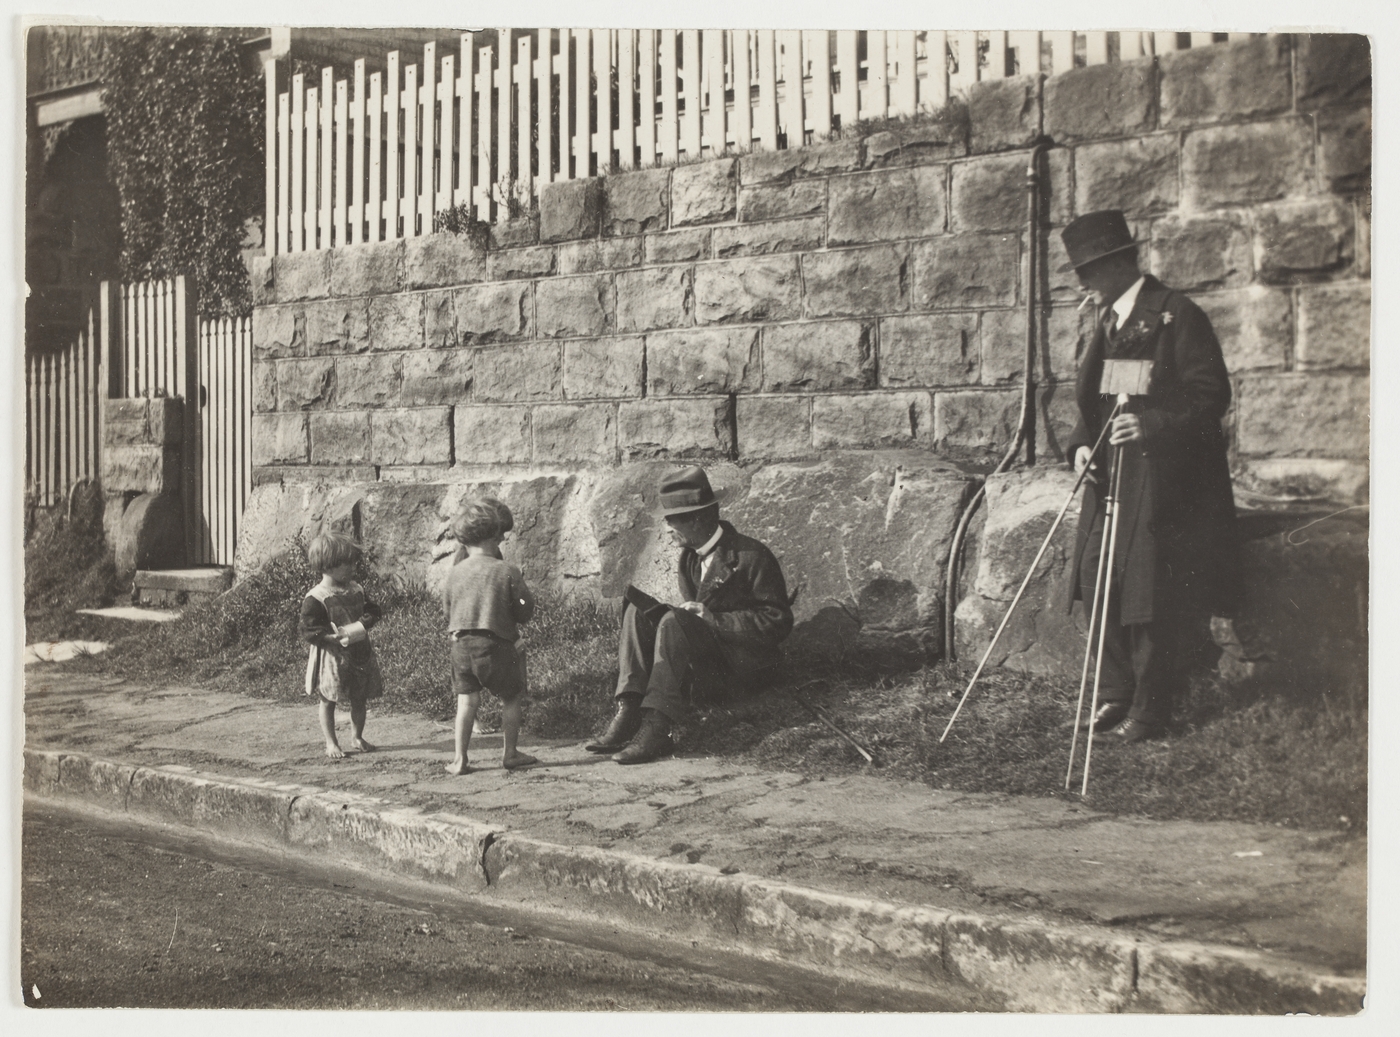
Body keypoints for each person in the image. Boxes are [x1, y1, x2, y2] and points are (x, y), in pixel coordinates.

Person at [1062, 209, 1241, 744]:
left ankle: (1152, 707)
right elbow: (1094, 406)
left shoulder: (1175, 314)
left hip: (1163, 480)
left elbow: (1211, 395)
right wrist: (1078, 447)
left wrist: (1152, 424)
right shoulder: (1108, 320)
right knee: (1095, 581)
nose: (1085, 284)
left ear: (1118, 264)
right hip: (1111, 477)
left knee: (1147, 593)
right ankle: (1117, 692)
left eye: (1090, 272)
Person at [587, 466, 794, 765]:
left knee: (673, 621)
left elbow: (778, 622)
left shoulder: (751, 557)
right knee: (637, 609)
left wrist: (713, 619)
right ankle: (630, 708)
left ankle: (658, 728)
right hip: (710, 665)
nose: (667, 528)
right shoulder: (690, 558)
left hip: (742, 673)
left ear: (697, 520)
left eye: (671, 520)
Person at [442, 498, 537, 775]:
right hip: (496, 644)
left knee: (467, 701)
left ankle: (460, 759)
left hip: (460, 645)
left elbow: (448, 611)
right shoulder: (506, 570)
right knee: (511, 697)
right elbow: (524, 610)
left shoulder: (454, 572)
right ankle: (510, 753)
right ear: (497, 535)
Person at [299, 533, 384, 759]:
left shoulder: (356, 589)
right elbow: (308, 629)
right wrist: (327, 638)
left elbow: (373, 611)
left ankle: (357, 736)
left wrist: (365, 621)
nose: (353, 568)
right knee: (328, 698)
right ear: (328, 566)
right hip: (333, 657)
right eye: (347, 564)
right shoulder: (317, 597)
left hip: (359, 652)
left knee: (360, 697)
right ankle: (331, 742)